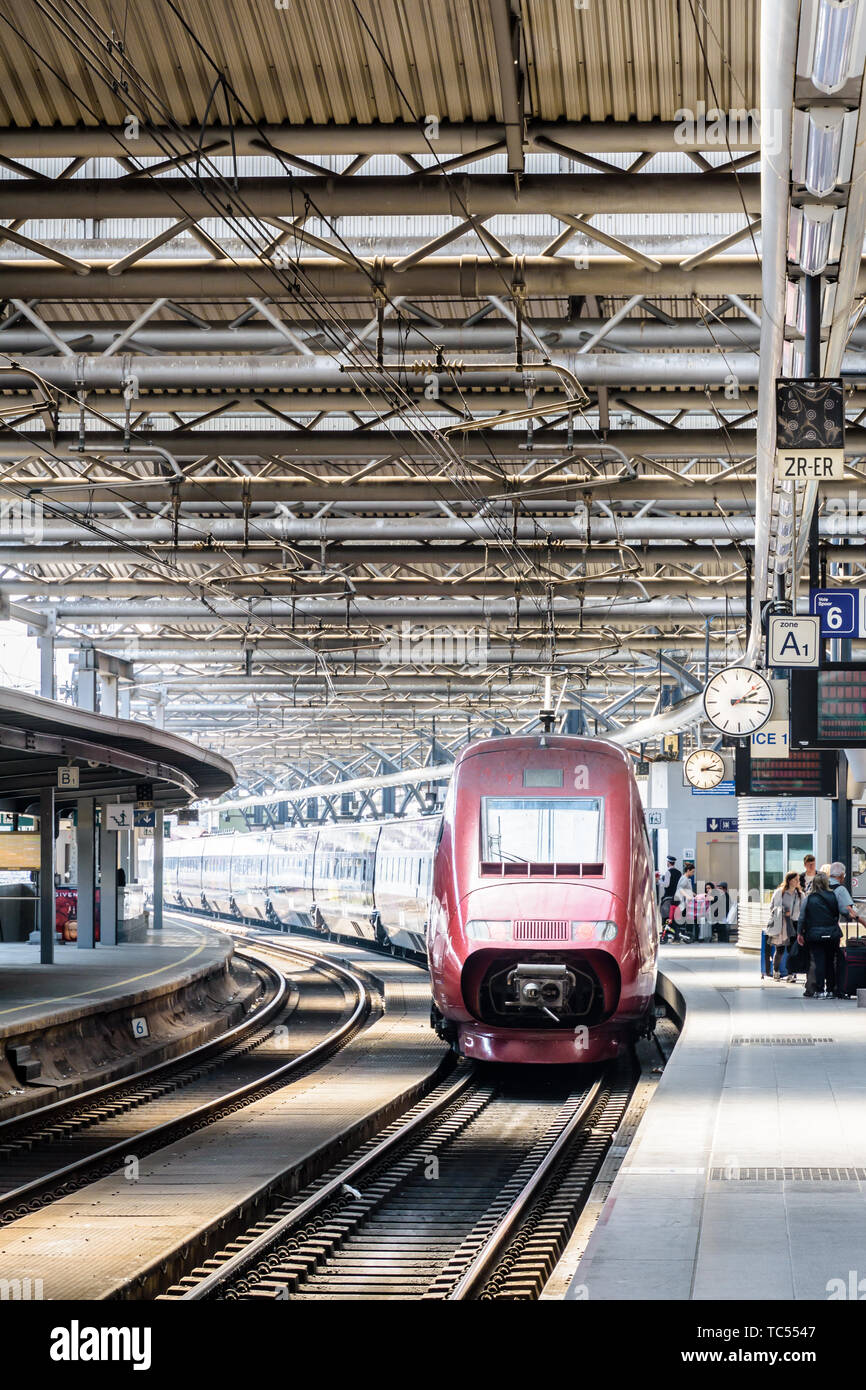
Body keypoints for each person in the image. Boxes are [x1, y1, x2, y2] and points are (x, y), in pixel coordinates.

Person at [797, 873, 843, 998]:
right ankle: (831, 989)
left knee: (819, 962)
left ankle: (819, 990)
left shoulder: (809, 898)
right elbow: (836, 914)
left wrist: (799, 933)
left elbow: (802, 918)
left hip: (815, 935)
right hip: (832, 934)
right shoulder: (834, 896)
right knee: (830, 961)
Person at [768, 871, 802, 981]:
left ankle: (791, 973)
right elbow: (772, 907)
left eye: (798, 879)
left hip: (795, 923)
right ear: (789, 880)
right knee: (780, 949)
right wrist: (783, 912)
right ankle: (776, 971)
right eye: (795, 879)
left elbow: (803, 909)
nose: (797, 881)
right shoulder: (780, 892)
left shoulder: (800, 894)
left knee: (792, 950)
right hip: (782, 924)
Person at [659, 856, 681, 921]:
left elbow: (666, 884)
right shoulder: (679, 873)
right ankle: (673, 929)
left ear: (668, 863)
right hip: (676, 898)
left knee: (666, 916)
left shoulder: (668, 872)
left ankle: (666, 928)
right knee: (674, 917)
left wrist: (658, 881)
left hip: (668, 898)